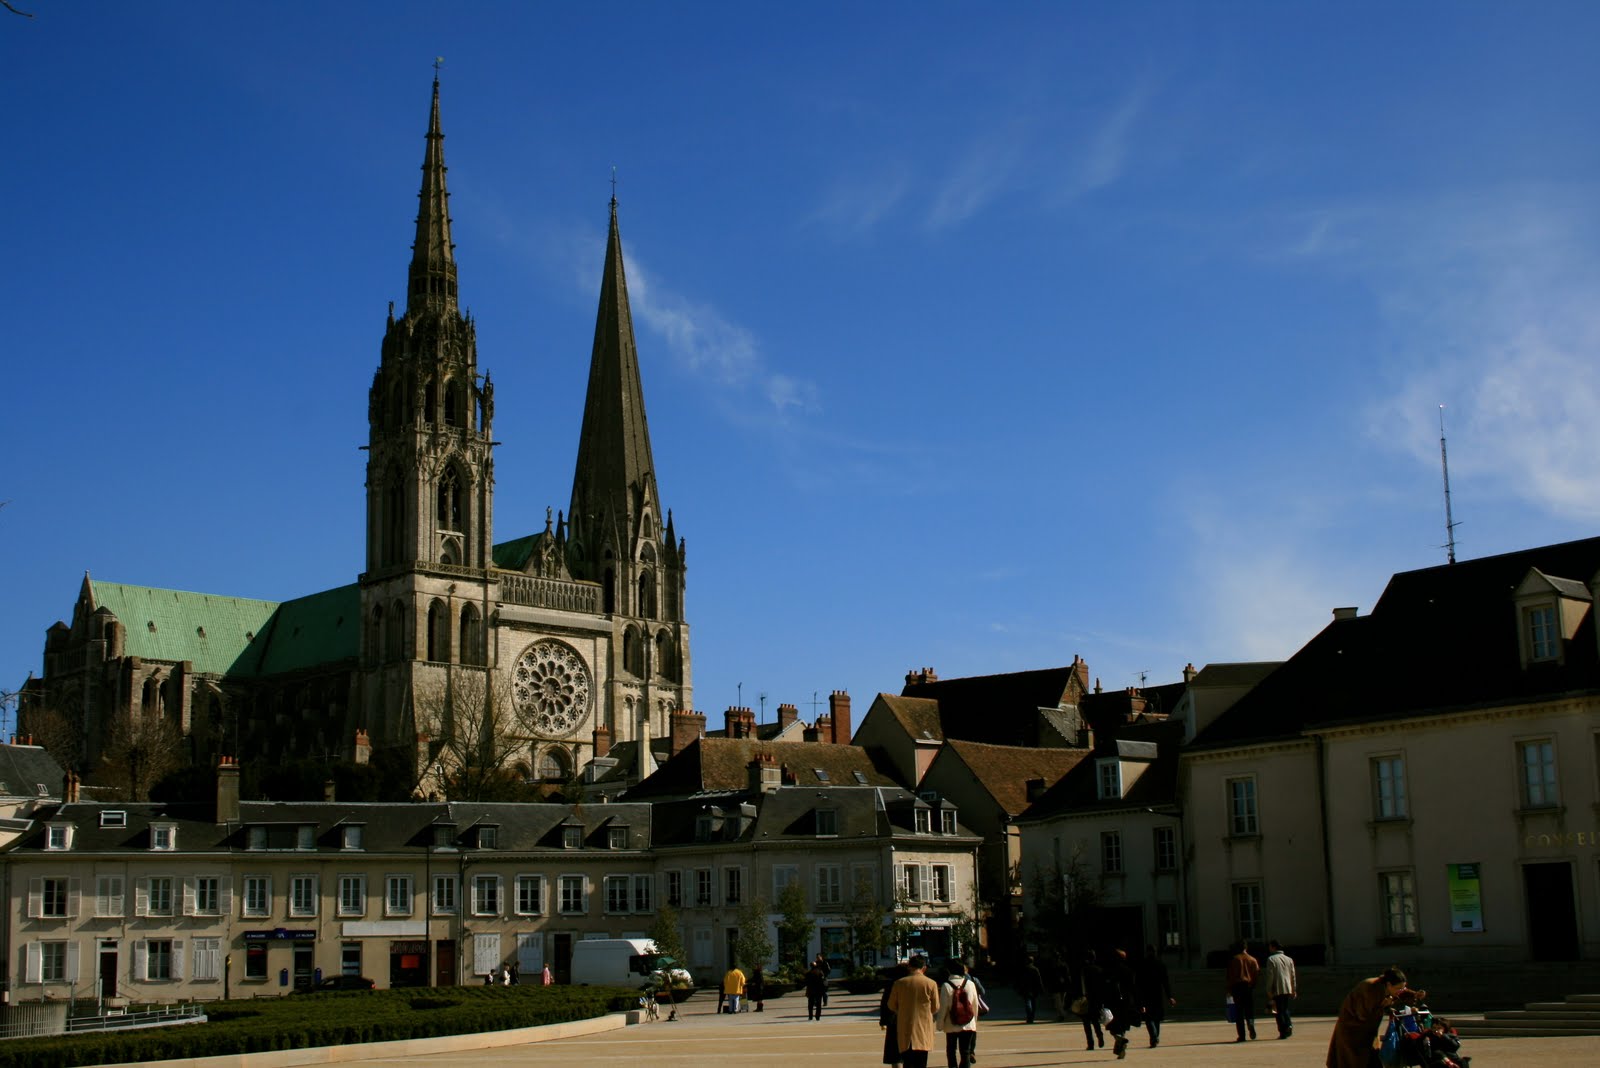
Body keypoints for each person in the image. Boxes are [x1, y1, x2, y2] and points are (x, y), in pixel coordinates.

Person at [1327, 966, 1408, 1068]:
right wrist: (1383, 1006)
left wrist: (1415, 995)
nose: (1401, 991)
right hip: (1353, 1032)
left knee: (1372, 1061)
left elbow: (1401, 991)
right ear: (1388, 985)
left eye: (1403, 988)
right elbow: (1363, 1015)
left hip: (1367, 1034)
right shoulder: (1370, 988)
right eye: (1399, 989)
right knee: (1354, 1062)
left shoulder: (1385, 986)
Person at [886, 955, 940, 1068]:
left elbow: (891, 1005)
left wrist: (902, 1010)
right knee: (921, 1062)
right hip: (923, 1029)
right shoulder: (931, 983)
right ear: (924, 968)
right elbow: (935, 1008)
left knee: (908, 1062)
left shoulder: (899, 983)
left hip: (905, 1028)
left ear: (909, 967)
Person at [937, 959, 980, 1068]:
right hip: (968, 1023)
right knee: (965, 1051)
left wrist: (940, 1024)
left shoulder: (946, 986)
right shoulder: (970, 984)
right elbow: (975, 1005)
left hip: (951, 1023)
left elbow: (943, 1008)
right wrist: (974, 1022)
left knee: (951, 1051)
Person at [1134, 944, 1174, 1048]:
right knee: (1155, 1018)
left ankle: (1153, 1036)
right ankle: (1154, 1036)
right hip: (1156, 994)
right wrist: (1169, 996)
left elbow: (1138, 983)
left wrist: (1138, 997)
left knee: (1149, 1018)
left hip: (1146, 994)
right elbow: (1165, 982)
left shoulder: (1142, 965)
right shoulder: (1160, 964)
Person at [1103, 947, 1139, 1060]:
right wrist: (1138, 1002)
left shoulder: (1109, 971)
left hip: (1113, 1001)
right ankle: (1120, 1047)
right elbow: (1133, 988)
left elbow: (1105, 986)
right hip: (1127, 1001)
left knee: (1112, 1025)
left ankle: (1119, 1039)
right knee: (1123, 1025)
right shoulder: (1129, 971)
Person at [1226, 941, 1260, 1042]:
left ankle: (1242, 1035)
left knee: (1239, 1012)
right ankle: (1250, 1023)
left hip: (1237, 987)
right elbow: (1256, 974)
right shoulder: (1252, 960)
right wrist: (1253, 985)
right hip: (1248, 987)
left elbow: (1230, 976)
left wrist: (1229, 989)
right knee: (1249, 1009)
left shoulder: (1235, 959)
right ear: (1246, 948)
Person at [1264, 940, 1298, 1039]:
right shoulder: (1289, 959)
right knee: (1285, 1008)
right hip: (1287, 987)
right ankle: (1289, 1025)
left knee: (1278, 1011)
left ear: (1273, 947)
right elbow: (1293, 975)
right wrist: (1294, 989)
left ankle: (1283, 1031)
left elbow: (1270, 976)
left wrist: (1269, 990)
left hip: (1277, 988)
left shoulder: (1271, 959)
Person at [1074, 950, 1105, 1051]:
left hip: (1086, 998)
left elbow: (1080, 985)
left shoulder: (1084, 970)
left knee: (1086, 1023)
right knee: (1095, 1020)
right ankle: (1100, 1036)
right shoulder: (1099, 970)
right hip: (1096, 999)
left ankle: (1090, 1043)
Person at [879, 962, 909, 1065]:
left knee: (895, 1054)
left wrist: (883, 1021)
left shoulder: (891, 984)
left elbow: (885, 1003)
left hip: (894, 1021)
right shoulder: (911, 983)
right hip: (910, 1020)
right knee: (909, 1052)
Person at [1016, 954, 1045, 1025]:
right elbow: (1039, 980)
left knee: (1027, 1003)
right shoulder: (1035, 969)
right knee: (1033, 1003)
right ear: (1032, 961)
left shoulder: (1024, 969)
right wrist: (1041, 989)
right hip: (1034, 989)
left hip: (1026, 989)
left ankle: (1029, 1017)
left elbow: (1019, 980)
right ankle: (1031, 1017)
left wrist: (1019, 988)